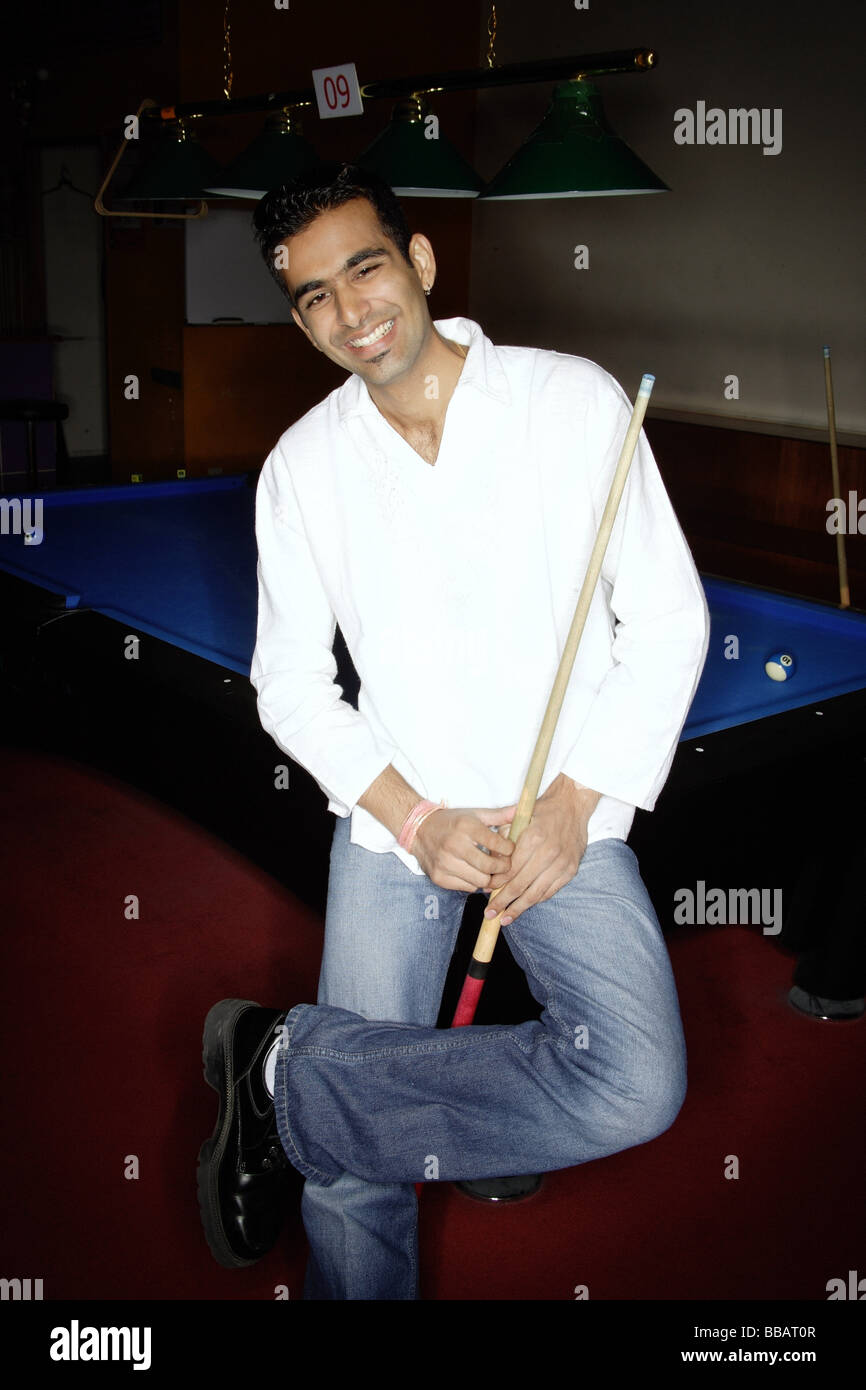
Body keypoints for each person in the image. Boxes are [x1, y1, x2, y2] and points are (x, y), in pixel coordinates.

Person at [196, 161, 710, 1300]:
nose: (349, 312)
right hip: (400, 827)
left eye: (364, 268)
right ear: (298, 315)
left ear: (418, 262)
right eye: (313, 296)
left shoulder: (568, 401)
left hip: (558, 814)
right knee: (349, 1170)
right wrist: (415, 817)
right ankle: (336, 1108)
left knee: (634, 1083)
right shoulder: (302, 468)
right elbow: (287, 684)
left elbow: (666, 620)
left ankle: (287, 1069)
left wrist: (575, 805)